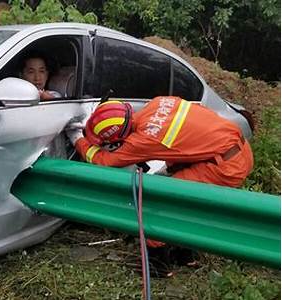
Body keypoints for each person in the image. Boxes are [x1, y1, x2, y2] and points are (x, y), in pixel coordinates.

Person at [65, 96, 253, 273]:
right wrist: (170, 169)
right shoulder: (158, 102)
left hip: (223, 167)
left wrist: (77, 138)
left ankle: (158, 264)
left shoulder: (142, 141)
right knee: (188, 208)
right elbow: (185, 137)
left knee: (156, 204)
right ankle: (184, 255)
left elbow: (103, 160)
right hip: (236, 149)